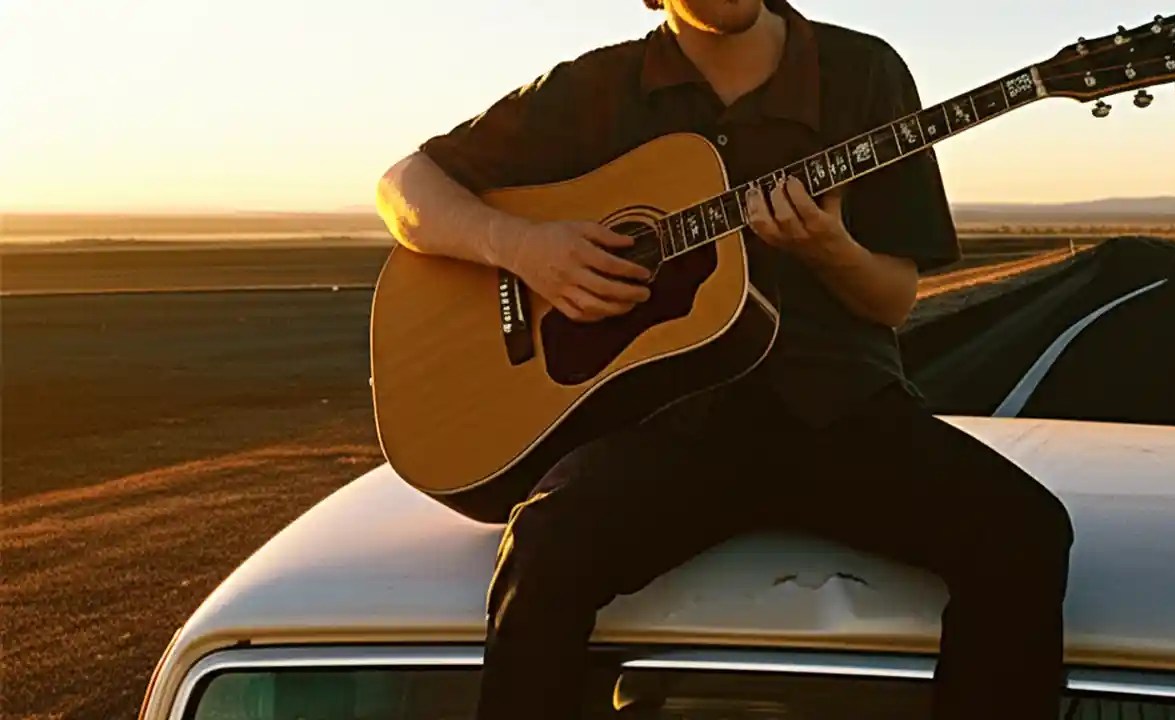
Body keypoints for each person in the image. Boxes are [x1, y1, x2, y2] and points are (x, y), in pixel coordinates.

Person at [375, 1, 1075, 718]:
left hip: (840, 415)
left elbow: (893, 300)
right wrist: (523, 248)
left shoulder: (861, 72)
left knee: (1024, 533)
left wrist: (831, 250)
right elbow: (404, 184)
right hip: (665, 429)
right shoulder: (596, 88)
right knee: (543, 548)